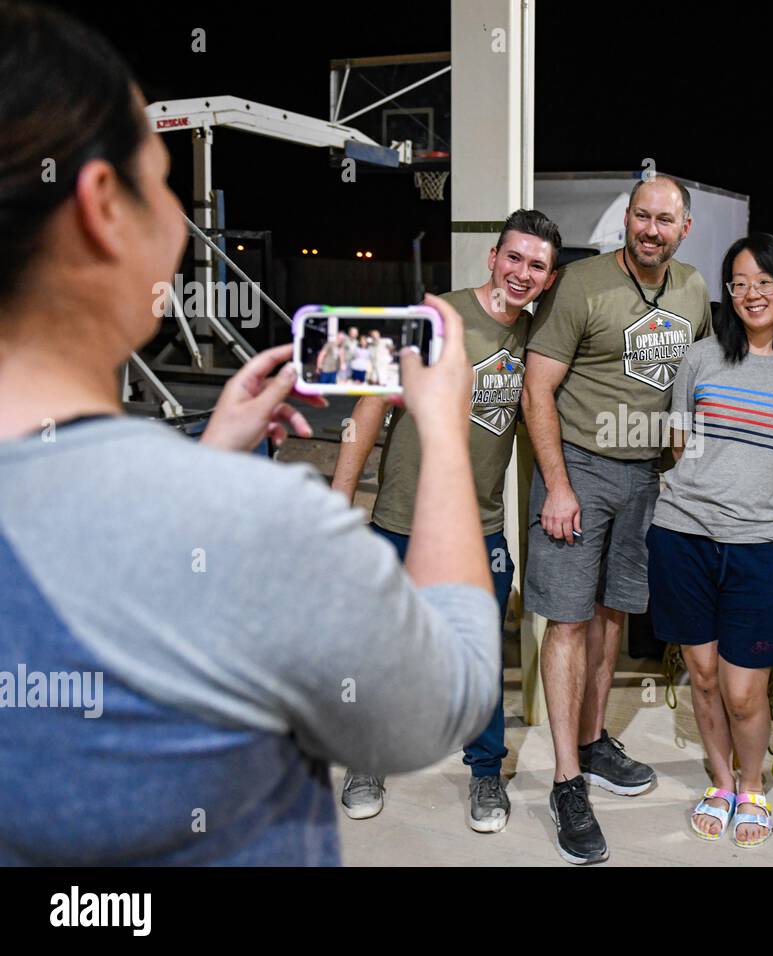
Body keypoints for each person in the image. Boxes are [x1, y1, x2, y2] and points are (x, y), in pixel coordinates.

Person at [0, 1, 500, 865]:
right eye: (160, 178)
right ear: (100, 208)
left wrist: (209, 456)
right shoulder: (262, 521)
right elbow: (442, 700)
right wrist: (445, 434)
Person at [329, 209, 562, 831]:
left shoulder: (537, 342)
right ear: (493, 256)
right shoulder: (434, 317)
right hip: (401, 517)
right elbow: (370, 407)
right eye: (514, 258)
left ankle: (486, 774)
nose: (522, 273)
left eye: (536, 265)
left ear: (548, 277)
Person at [522, 174, 712, 864]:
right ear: (626, 220)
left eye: (665, 219)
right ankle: (567, 783)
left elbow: (698, 382)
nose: (651, 229)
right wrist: (557, 485)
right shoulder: (581, 285)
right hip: (581, 467)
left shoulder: (693, 290)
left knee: (610, 614)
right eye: (641, 216)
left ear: (684, 228)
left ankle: (595, 741)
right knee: (568, 619)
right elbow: (536, 388)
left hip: (647, 476)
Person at [647, 234, 773, 849]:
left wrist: (771, 506)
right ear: (728, 293)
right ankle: (722, 783)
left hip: (763, 548)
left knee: (744, 687)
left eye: (765, 282)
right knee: (701, 675)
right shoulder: (700, 360)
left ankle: (753, 787)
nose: (752, 293)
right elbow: (680, 444)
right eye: (739, 283)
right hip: (684, 535)